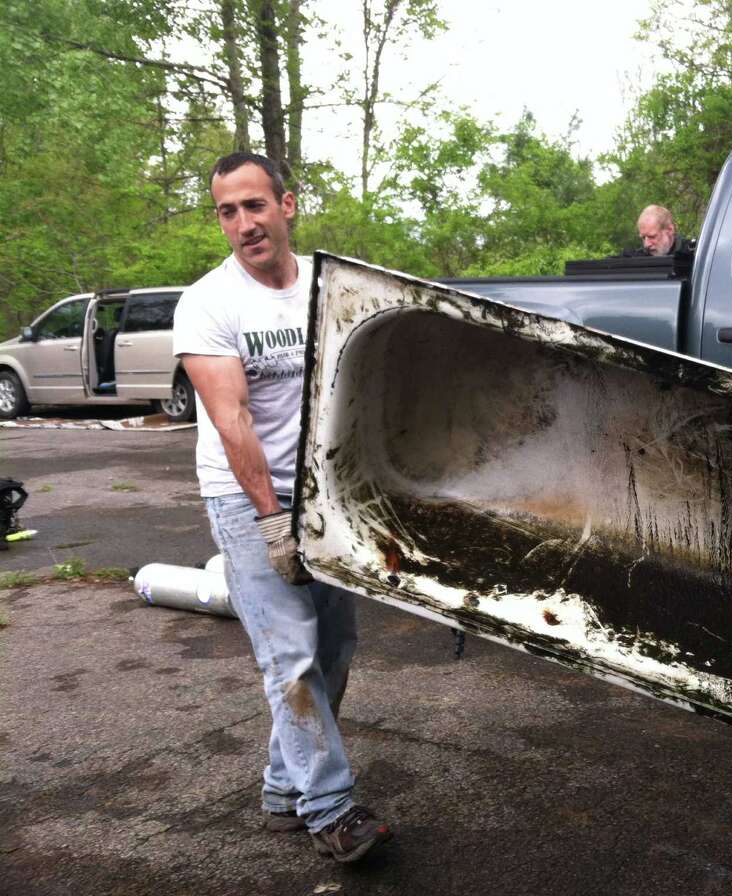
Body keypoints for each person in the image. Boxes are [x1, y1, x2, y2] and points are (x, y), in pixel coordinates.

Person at [173, 152, 393, 864]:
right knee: (290, 657)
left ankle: (280, 788)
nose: (242, 224)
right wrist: (273, 523)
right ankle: (331, 810)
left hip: (322, 493)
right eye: (227, 212)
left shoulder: (328, 288)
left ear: (287, 205)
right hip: (246, 497)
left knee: (335, 650)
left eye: (254, 206)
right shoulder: (209, 302)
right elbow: (233, 420)